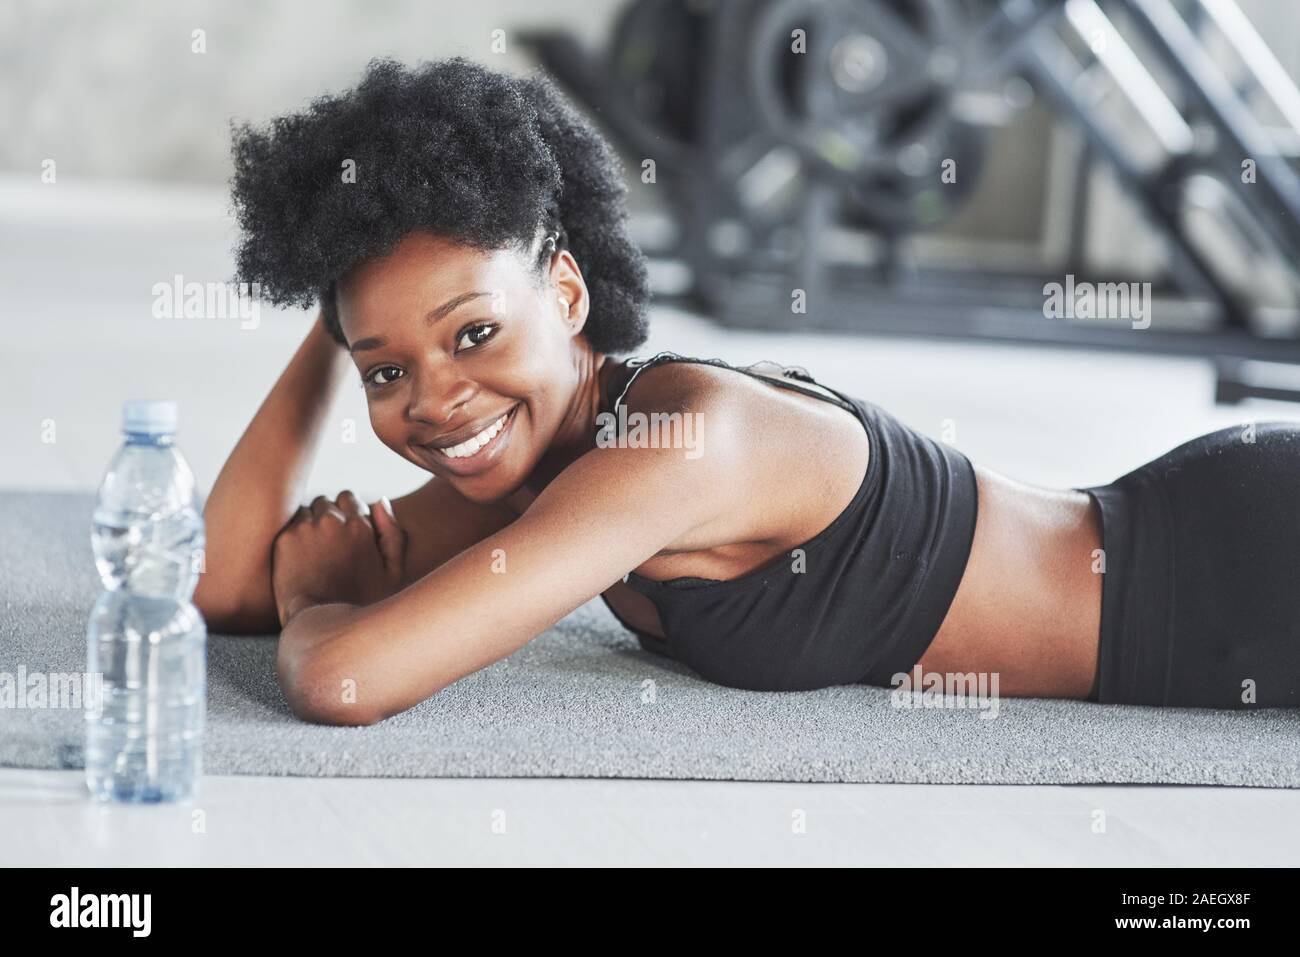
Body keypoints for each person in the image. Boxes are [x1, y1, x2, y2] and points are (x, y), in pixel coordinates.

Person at [195, 57, 1300, 725]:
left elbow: (342, 679)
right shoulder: (534, 458)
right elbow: (218, 588)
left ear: (567, 294)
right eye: (387, 372)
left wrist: (322, 606)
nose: (436, 400)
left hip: (1245, 568)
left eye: (473, 331)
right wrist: (341, 306)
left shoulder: (678, 445)